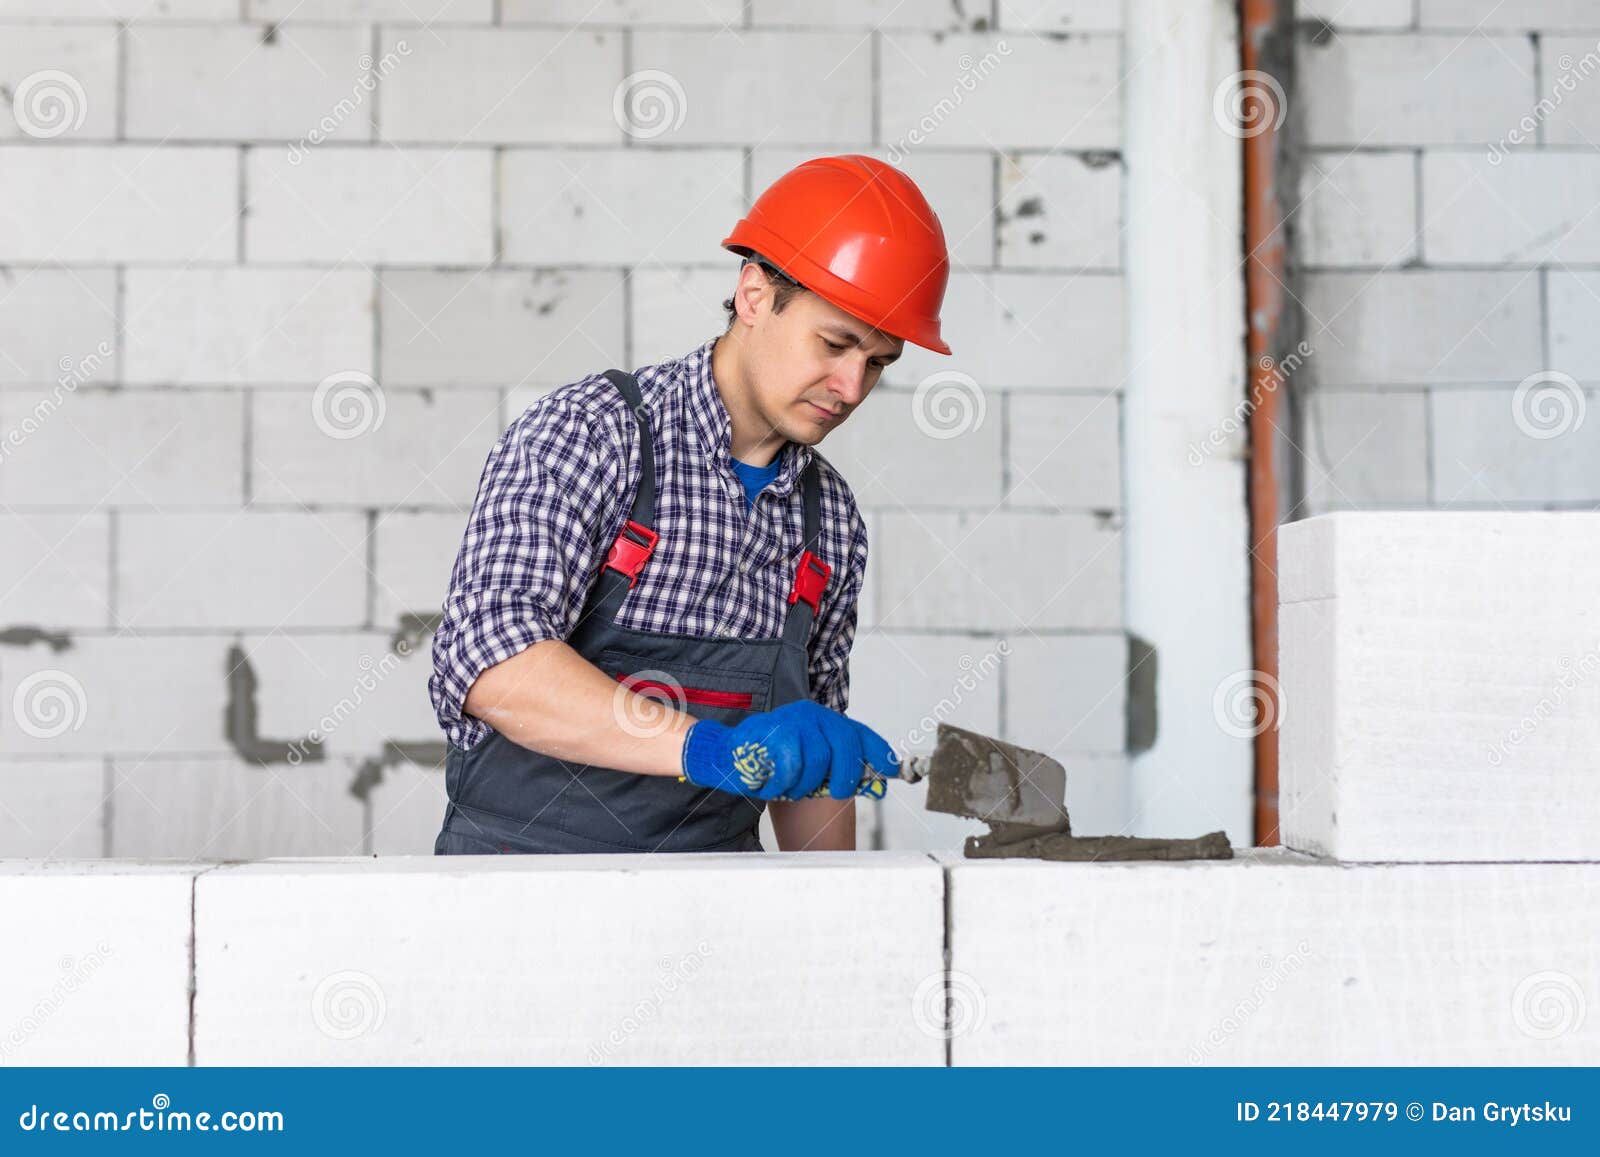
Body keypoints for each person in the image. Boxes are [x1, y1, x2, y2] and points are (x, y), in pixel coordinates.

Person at [429, 154, 952, 855]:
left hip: (714, 922)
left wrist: (837, 922)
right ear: (755, 295)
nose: (852, 386)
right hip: (524, 901)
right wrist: (707, 750)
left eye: (878, 362)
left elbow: (810, 769)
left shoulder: (829, 522)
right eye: (835, 344)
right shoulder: (594, 436)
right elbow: (495, 665)